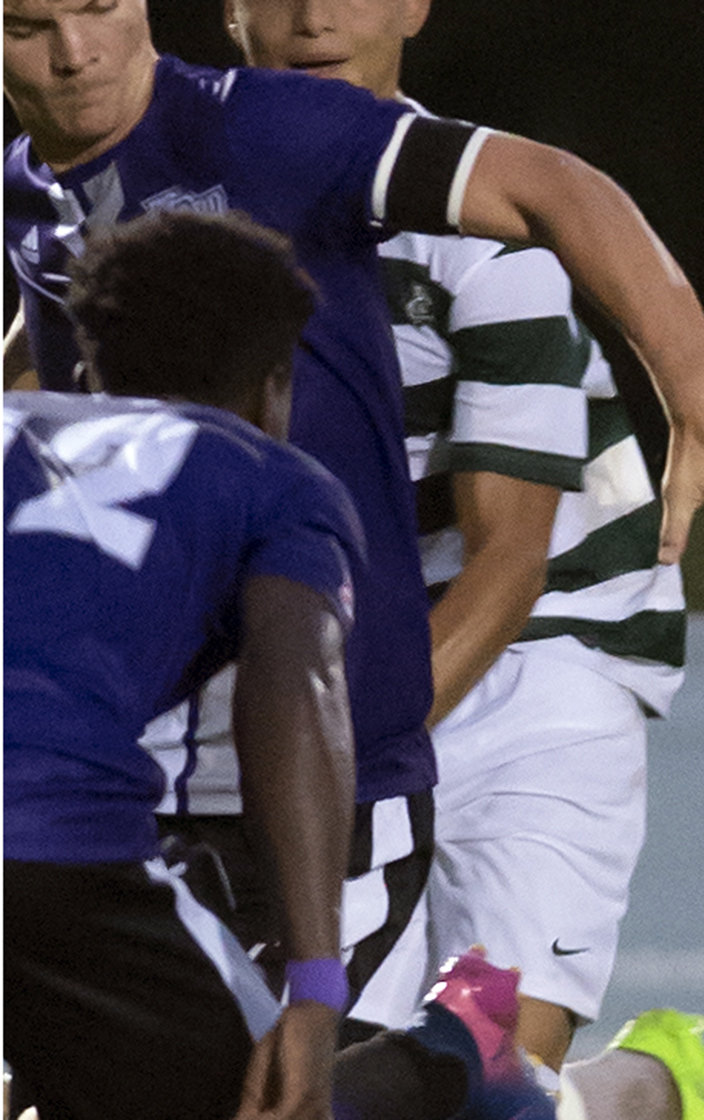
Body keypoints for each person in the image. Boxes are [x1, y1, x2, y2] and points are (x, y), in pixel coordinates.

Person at [2, 0, 704, 1026]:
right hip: (317, 663)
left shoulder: (302, 146)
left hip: (533, 648)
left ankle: (607, 1074)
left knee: (474, 1040)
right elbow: (58, 361)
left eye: (94, 9)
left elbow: (513, 555)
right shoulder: (41, 197)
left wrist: (702, 390)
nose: (74, 52)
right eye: (30, 22)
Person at [218, 1, 704, 1105]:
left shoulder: (478, 215)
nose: (313, 19)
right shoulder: (177, 209)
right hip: (342, 665)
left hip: (547, 641)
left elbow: (511, 566)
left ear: (414, 4)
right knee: (350, 1082)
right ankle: (624, 1097)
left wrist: (326, 777)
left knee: (486, 1072)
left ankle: (643, 1081)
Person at [4, 208, 356, 1120]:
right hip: (48, 850)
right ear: (275, 387)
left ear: (86, 371)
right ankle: (467, 1055)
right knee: (268, 1098)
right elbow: (298, 684)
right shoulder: (272, 478)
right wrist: (316, 986)